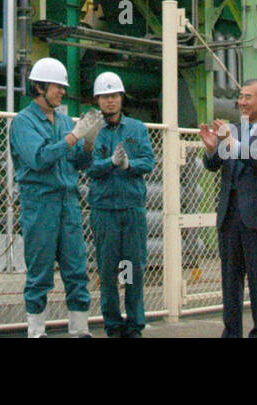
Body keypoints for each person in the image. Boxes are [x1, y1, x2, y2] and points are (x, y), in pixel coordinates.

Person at [10, 56, 104, 338]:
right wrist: (75, 137)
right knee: (40, 272)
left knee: (77, 269)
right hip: (40, 204)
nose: (62, 91)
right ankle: (36, 331)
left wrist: (89, 142)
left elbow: (80, 162)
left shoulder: (64, 121)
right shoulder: (23, 123)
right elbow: (39, 159)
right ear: (39, 87)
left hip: (69, 203)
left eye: (63, 87)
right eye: (57, 87)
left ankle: (79, 329)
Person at [200, 79, 257, 338]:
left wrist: (232, 144)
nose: (243, 102)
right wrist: (213, 148)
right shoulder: (233, 130)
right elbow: (213, 164)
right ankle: (231, 332)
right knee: (230, 282)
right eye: (241, 97)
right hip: (230, 215)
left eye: (249, 97)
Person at [86, 71, 155, 338]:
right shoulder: (93, 128)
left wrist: (129, 164)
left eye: (114, 96)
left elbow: (149, 161)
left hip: (131, 208)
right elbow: (89, 167)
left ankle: (134, 324)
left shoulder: (137, 129)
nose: (110, 101)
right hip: (105, 210)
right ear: (98, 100)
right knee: (108, 269)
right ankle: (113, 325)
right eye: (104, 97)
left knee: (132, 268)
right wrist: (110, 163)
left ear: (121, 98)